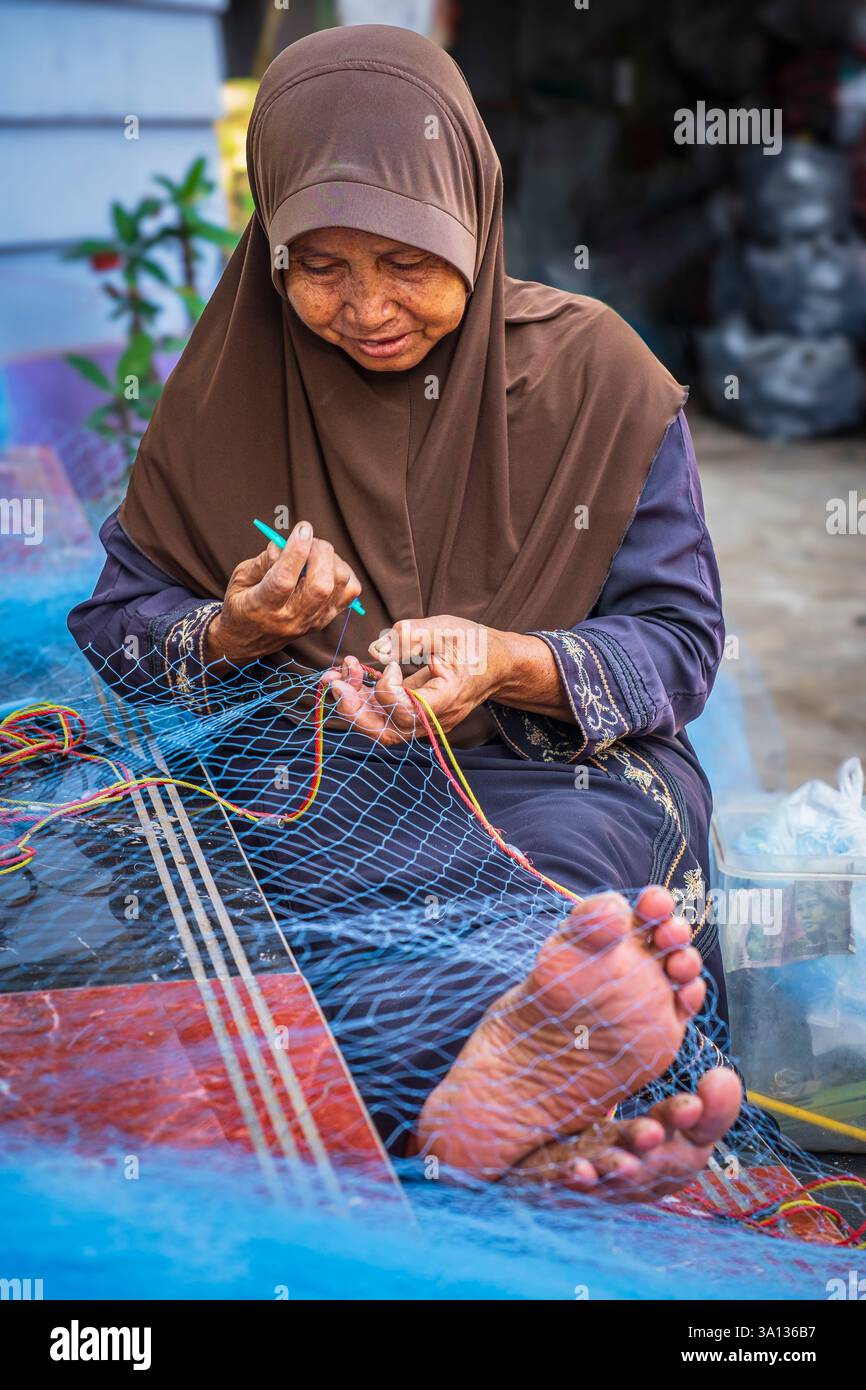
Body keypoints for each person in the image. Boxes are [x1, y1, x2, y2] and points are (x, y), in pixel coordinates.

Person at [69, 25, 742, 1198]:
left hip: (544, 771)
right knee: (235, 887)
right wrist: (235, 630)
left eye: (404, 260)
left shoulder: (597, 378)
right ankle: (515, 1113)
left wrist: (505, 659)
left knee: (571, 888)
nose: (367, 307)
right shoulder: (226, 393)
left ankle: (519, 1075)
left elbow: (678, 645)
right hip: (313, 776)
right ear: (271, 248)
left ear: (471, 219)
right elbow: (121, 624)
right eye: (320, 266)